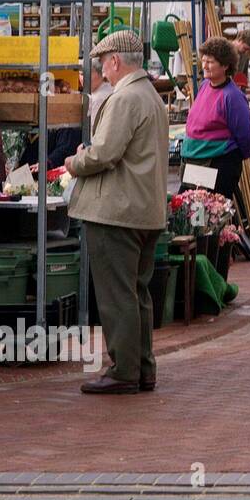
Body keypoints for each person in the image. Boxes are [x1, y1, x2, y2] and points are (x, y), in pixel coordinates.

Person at [63, 30, 168, 395]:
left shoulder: (124, 98)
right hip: (144, 209)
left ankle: (123, 370)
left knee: (116, 294)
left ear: (115, 61)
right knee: (137, 292)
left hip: (117, 211)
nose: (101, 72)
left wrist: (74, 162)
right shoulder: (150, 95)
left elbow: (104, 153)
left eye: (102, 65)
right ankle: (142, 368)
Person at [181, 37, 250, 201]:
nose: (205, 66)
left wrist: (237, 157)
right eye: (204, 60)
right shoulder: (204, 86)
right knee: (193, 212)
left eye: (211, 62)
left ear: (225, 65)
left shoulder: (233, 96)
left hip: (218, 162)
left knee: (210, 212)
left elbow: (246, 136)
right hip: (194, 160)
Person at [86, 56, 113, 123]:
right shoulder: (108, 88)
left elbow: (93, 128)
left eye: (90, 73)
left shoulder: (99, 97)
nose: (85, 78)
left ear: (100, 74)